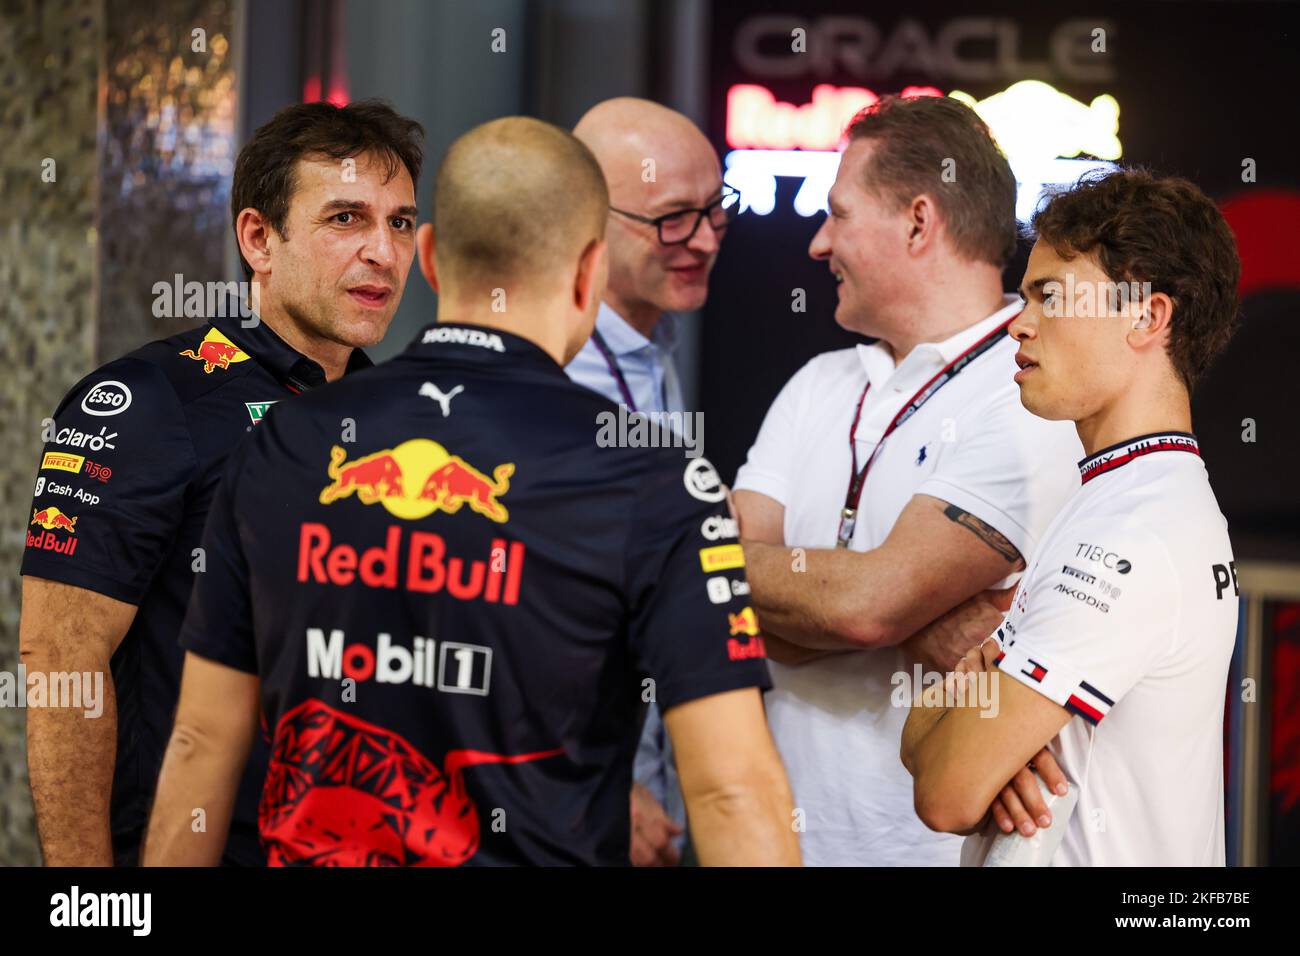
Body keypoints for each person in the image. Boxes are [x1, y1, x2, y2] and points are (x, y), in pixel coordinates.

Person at [142, 116, 799, 867]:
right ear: (591, 271)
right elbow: (732, 793)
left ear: (425, 258)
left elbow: (200, 742)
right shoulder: (657, 481)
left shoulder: (282, 444)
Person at [19, 98, 424, 866]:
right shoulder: (146, 400)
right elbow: (60, 660)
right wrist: (86, 901)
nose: (382, 251)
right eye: (346, 218)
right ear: (258, 238)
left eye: (400, 222)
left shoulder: (394, 420)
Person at [731, 94, 1082, 865]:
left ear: (919, 222)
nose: (819, 243)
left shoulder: (1031, 392)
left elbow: (860, 606)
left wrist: (871, 610)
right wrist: (911, 625)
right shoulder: (817, 383)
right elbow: (721, 606)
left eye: (840, 214)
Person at [903, 169, 1241, 866]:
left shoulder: (1135, 529)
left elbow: (945, 791)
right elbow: (925, 747)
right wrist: (971, 721)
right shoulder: (1117, 497)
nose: (1017, 326)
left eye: (1049, 296)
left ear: (1147, 318)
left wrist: (971, 725)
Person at [568, 97, 738, 865]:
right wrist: (598, 782)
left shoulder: (652, 345)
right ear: (586, 217)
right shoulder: (552, 374)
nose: (703, 240)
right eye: (673, 219)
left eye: (714, 209)